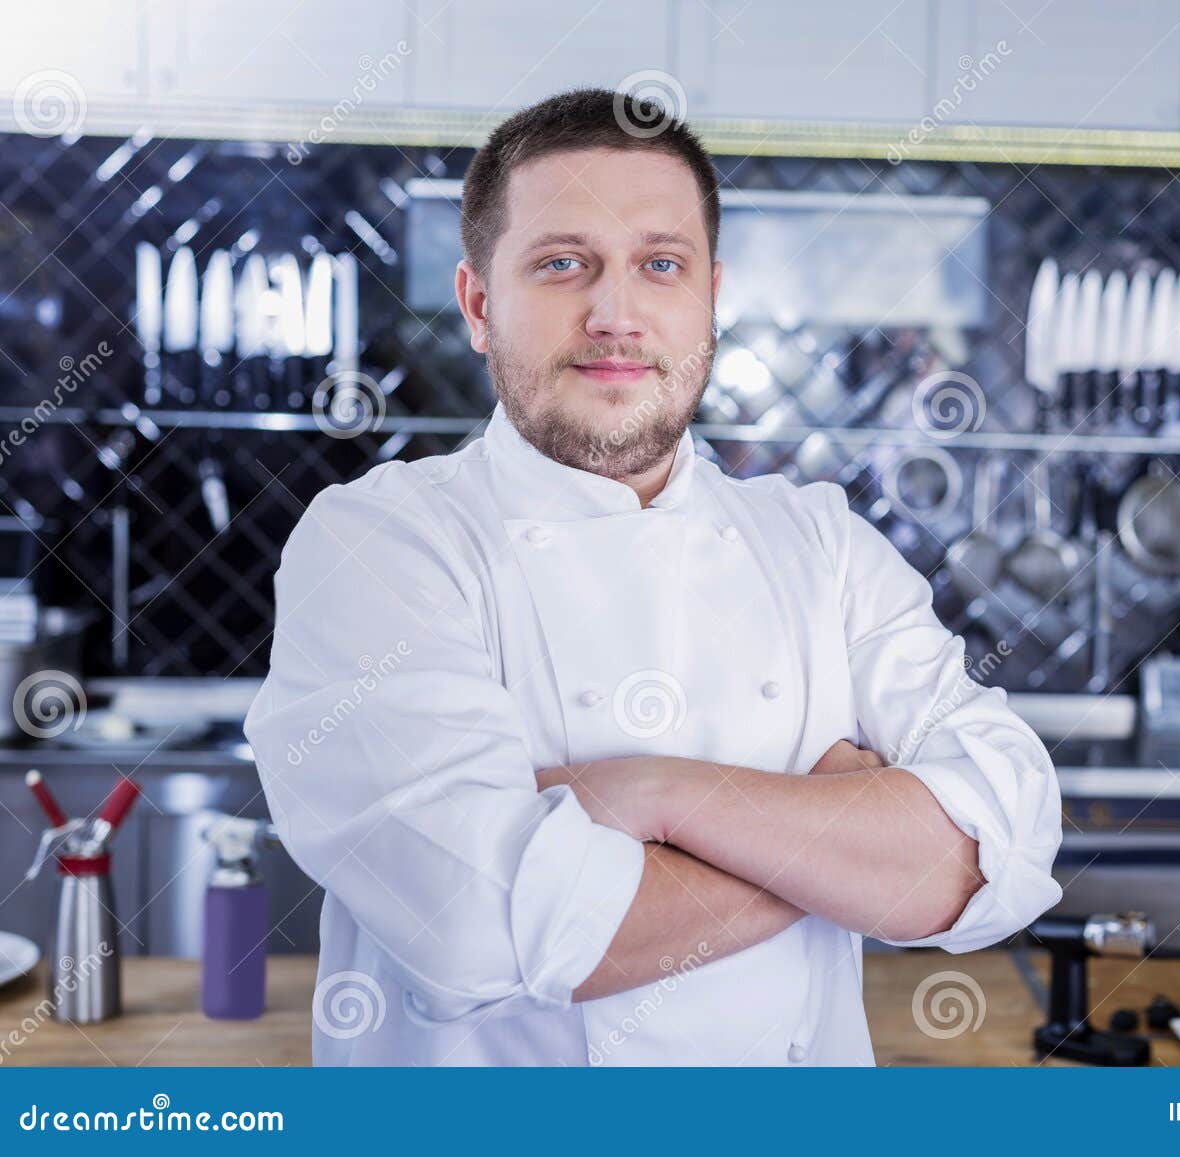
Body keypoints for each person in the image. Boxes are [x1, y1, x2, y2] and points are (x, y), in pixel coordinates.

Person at [244, 86, 1063, 1066]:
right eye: (562, 263)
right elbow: (479, 919)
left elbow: (999, 850)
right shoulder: (381, 542)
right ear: (478, 304)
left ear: (709, 297)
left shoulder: (820, 544)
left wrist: (657, 794)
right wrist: (839, 855)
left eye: (660, 264)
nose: (616, 314)